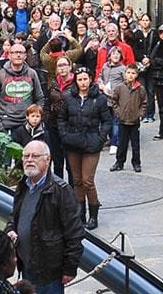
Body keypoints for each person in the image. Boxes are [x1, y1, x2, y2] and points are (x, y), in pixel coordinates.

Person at [11, 140, 84, 294]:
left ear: (48, 159)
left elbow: (74, 232)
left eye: (35, 156)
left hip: (50, 272)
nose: (29, 160)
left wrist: (70, 268)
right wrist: (10, 229)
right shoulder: (23, 186)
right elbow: (14, 217)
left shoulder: (61, 190)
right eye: (26, 156)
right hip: (27, 267)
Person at [57, 68, 112, 229]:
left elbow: (107, 121)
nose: (83, 83)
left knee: (88, 181)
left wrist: (100, 139)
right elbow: (62, 118)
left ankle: (93, 215)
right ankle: (79, 213)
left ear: (90, 79)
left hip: (91, 143)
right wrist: (65, 135)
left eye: (85, 79)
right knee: (77, 180)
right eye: (80, 79)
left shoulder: (99, 99)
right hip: (73, 143)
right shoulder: (68, 98)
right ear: (76, 81)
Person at [0, 40, 48, 134]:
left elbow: (40, 98)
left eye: (21, 53)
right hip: (5, 126)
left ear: (25, 56)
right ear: (9, 56)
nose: (18, 55)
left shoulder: (32, 74)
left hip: (27, 126)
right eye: (15, 52)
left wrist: (34, 117)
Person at [112, 64, 148, 173]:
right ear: (125, 74)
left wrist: (140, 114)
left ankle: (136, 163)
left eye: (133, 73)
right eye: (128, 73)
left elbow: (144, 103)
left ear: (136, 75)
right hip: (122, 120)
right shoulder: (119, 88)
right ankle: (119, 162)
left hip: (134, 121)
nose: (130, 75)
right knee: (122, 143)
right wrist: (118, 113)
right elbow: (114, 101)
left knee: (135, 144)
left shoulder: (140, 88)